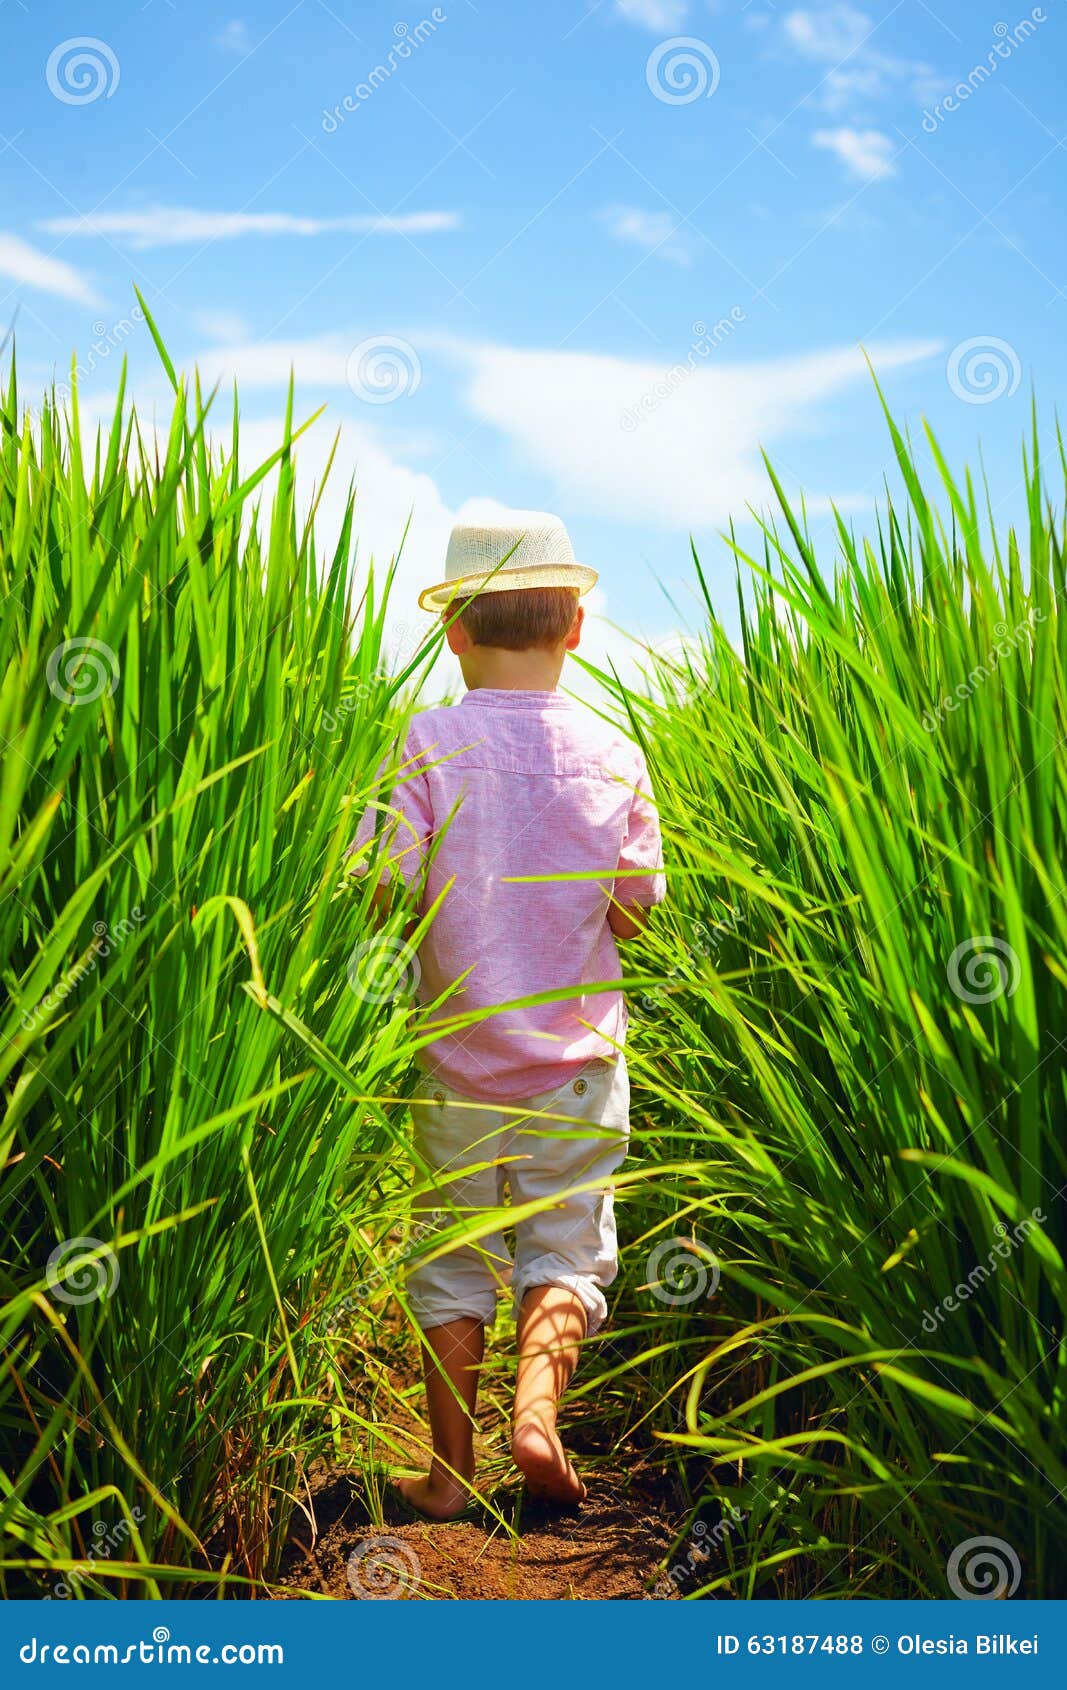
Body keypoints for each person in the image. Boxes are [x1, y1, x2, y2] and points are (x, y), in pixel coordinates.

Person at [350, 511, 665, 1519]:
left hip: (453, 1061)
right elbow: (633, 907)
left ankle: (448, 1474)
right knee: (564, 1249)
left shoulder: (428, 740)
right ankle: (537, 1416)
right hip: (575, 1065)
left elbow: (382, 890)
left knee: (451, 1251)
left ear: (454, 632)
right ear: (573, 627)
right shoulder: (615, 751)